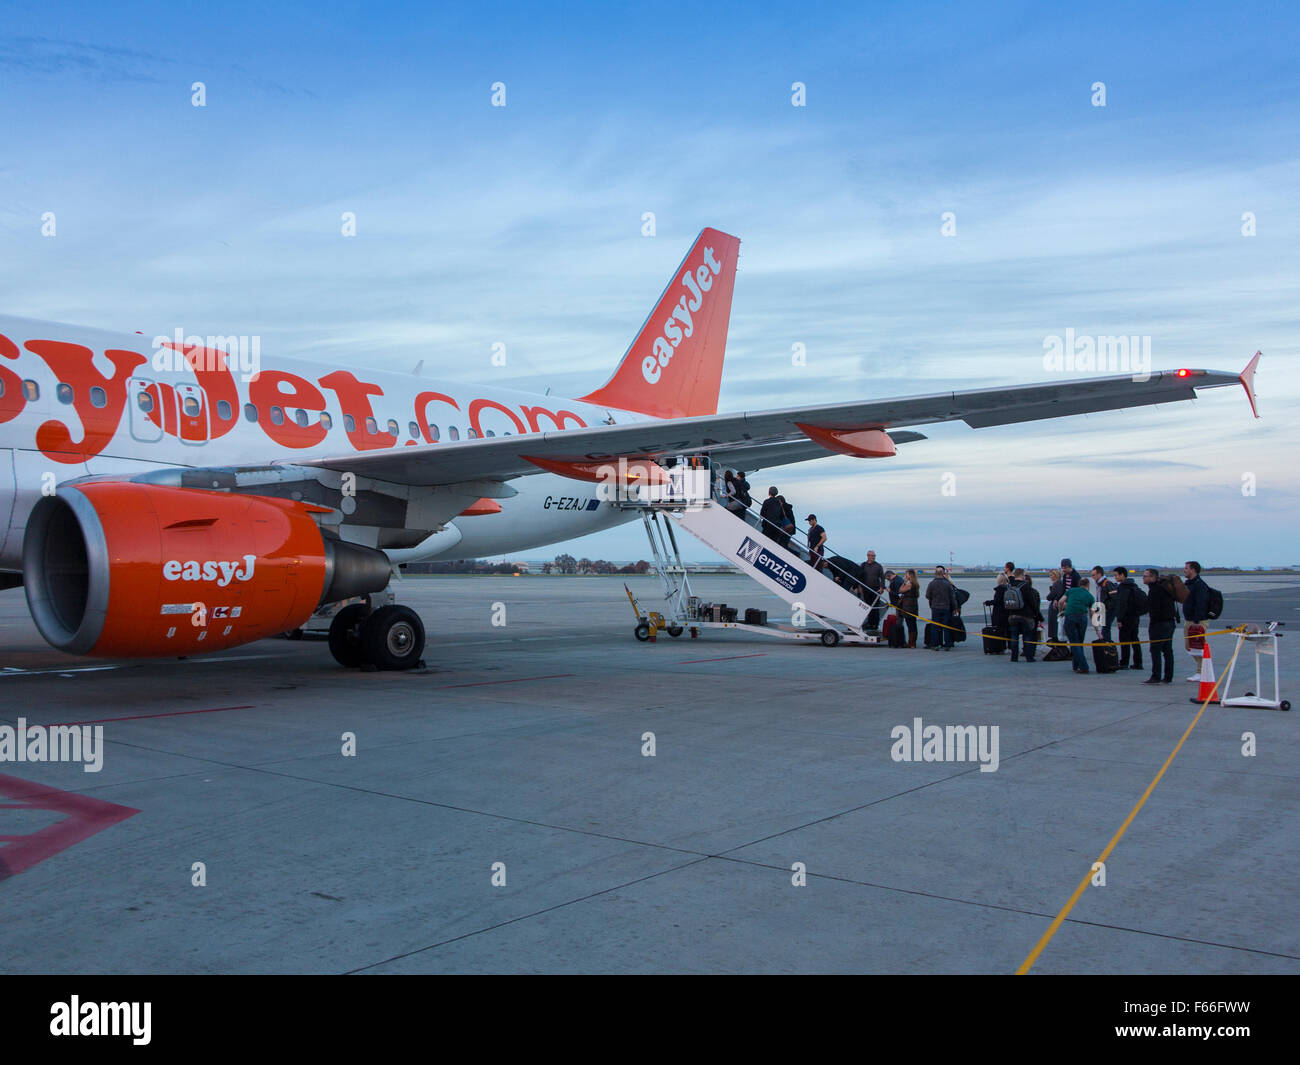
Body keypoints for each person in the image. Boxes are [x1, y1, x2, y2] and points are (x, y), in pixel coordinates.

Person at [1144, 567, 1176, 684]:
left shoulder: (1155, 590)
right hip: (1169, 622)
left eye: (1146, 576)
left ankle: (1156, 675)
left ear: (1153, 577)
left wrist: (1153, 624)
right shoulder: (1164, 588)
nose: (1144, 578)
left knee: (1155, 650)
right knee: (1167, 650)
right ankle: (1168, 676)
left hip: (1159, 624)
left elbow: (1155, 609)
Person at [1059, 576, 1095, 673]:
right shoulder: (1090, 596)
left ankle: (1084, 666)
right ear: (1088, 585)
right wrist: (1097, 631)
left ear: (1079, 584)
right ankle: (1075, 665)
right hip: (1083, 618)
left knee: (1074, 642)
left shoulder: (1071, 590)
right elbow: (1092, 614)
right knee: (1079, 642)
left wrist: (1061, 611)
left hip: (1070, 617)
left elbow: (1061, 601)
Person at [1004, 569, 1041, 662]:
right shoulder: (1025, 585)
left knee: (1014, 636)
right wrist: (1036, 613)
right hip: (1025, 615)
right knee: (1027, 636)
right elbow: (1031, 601)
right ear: (1022, 575)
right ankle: (1029, 657)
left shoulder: (1009, 585)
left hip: (1012, 614)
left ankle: (1014, 657)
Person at [1111, 567, 1144, 671]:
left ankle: (1124, 662)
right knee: (1135, 639)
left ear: (1122, 575)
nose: (1115, 577)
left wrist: (1119, 619)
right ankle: (1138, 663)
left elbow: (1122, 604)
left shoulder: (1123, 588)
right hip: (1135, 617)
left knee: (1124, 640)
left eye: (1116, 575)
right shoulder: (1133, 586)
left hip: (1126, 618)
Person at [1182, 560, 1210, 679]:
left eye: (1186, 568)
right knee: (1189, 646)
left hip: (1197, 621)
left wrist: (1197, 622)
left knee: (1197, 647)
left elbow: (1201, 603)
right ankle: (1202, 670)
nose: (1184, 570)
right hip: (1189, 620)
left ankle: (1201, 672)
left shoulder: (1199, 585)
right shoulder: (1188, 583)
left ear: (1193, 570)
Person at [925, 565, 959, 651]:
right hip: (946, 607)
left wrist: (933, 600)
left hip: (935, 607)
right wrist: (955, 608)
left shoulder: (932, 583)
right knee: (946, 626)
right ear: (943, 573)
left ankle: (935, 644)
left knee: (935, 627)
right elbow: (952, 597)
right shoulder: (947, 584)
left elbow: (927, 595)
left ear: (935, 573)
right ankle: (947, 644)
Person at [859, 550, 886, 628]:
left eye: (874, 556)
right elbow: (859, 577)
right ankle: (869, 623)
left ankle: (875, 624)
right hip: (866, 589)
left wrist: (882, 588)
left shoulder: (878, 566)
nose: (873, 557)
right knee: (867, 607)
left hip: (875, 589)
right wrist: (859, 587)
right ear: (868, 556)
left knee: (875, 607)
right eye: (872, 556)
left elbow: (882, 578)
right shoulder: (863, 565)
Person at [1091, 566, 1116, 644]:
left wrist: (1107, 607)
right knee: (1104, 627)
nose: (1092, 577)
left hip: (1108, 610)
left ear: (1099, 574)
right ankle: (1105, 642)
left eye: (1094, 575)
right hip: (1102, 608)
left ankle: (1106, 643)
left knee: (1106, 627)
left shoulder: (1106, 583)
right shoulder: (1099, 584)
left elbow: (1114, 598)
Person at [898, 568, 920, 647]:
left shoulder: (909, 584)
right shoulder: (916, 584)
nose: (905, 576)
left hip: (908, 606)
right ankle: (913, 642)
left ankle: (911, 643)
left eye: (906, 574)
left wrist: (904, 582)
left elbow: (900, 590)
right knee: (913, 624)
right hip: (914, 606)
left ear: (910, 575)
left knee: (910, 625)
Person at [1045, 568, 1064, 644]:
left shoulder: (1057, 584)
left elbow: (1050, 596)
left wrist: (1054, 598)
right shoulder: (1062, 583)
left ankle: (1056, 643)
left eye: (1051, 575)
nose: (1050, 577)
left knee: (1054, 627)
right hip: (1059, 607)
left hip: (1055, 609)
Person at [990, 572, 1009, 638]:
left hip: (1000, 613)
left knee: (999, 630)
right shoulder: (1009, 588)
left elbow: (997, 601)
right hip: (1008, 611)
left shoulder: (1000, 589)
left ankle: (1001, 645)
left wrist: (988, 602)